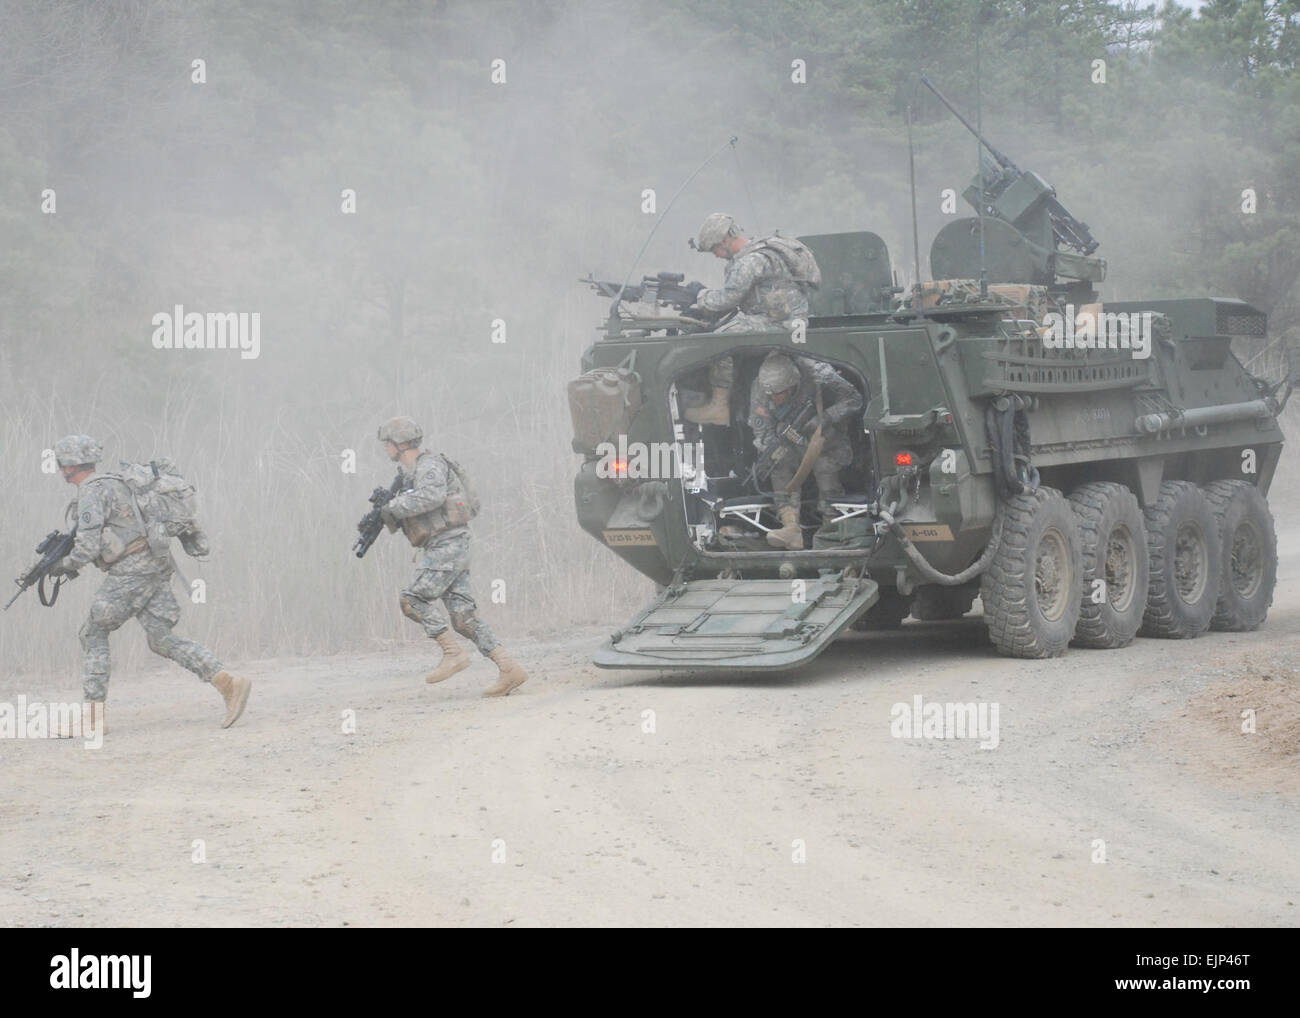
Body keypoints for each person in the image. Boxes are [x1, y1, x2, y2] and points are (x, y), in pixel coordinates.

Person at [47, 434, 250, 735]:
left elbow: (86, 549)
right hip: (156, 564)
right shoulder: (116, 481)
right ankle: (229, 683)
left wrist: (60, 566)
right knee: (160, 639)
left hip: (132, 572)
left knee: (92, 632)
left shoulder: (91, 491)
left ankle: (92, 717)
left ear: (68, 465)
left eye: (61, 464)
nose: (60, 470)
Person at [375, 417, 528, 696]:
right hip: (446, 544)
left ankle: (452, 653)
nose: (385, 449)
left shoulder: (429, 466)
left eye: (387, 443)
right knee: (463, 618)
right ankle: (509, 668)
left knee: (411, 599)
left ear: (401, 443)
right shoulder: (411, 472)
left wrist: (393, 507)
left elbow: (431, 497)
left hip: (449, 544)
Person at [683, 213, 821, 426]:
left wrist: (700, 296)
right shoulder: (756, 252)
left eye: (715, 249)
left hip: (781, 325)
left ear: (726, 240)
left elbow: (729, 298)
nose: (716, 255)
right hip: (785, 321)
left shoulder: (751, 261)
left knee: (719, 341)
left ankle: (719, 407)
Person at [749, 353, 862, 550]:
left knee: (824, 467)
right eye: (771, 395)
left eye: (780, 393)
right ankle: (791, 529)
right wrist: (771, 446)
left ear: (793, 384)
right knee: (778, 464)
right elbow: (760, 428)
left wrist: (825, 417)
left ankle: (831, 531)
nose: (774, 399)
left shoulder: (819, 374)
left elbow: (854, 399)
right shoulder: (760, 388)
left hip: (826, 440)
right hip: (789, 442)